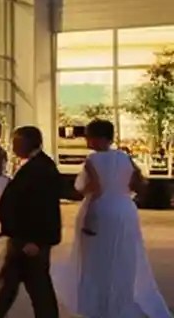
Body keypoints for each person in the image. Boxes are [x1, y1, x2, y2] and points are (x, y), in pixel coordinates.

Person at [51, 119, 171, 318]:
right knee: (123, 258)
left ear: (97, 138)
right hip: (125, 210)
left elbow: (92, 189)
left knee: (96, 260)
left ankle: (99, 305)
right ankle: (121, 302)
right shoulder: (125, 157)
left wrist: (89, 214)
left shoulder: (93, 161)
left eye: (88, 136)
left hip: (102, 210)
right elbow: (136, 184)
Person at [0, 126, 61, 318]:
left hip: (30, 240)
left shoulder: (39, 169)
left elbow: (44, 209)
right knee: (10, 285)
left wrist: (36, 241)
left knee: (37, 287)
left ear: (29, 143)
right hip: (22, 237)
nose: (13, 147)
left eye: (17, 142)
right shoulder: (35, 166)